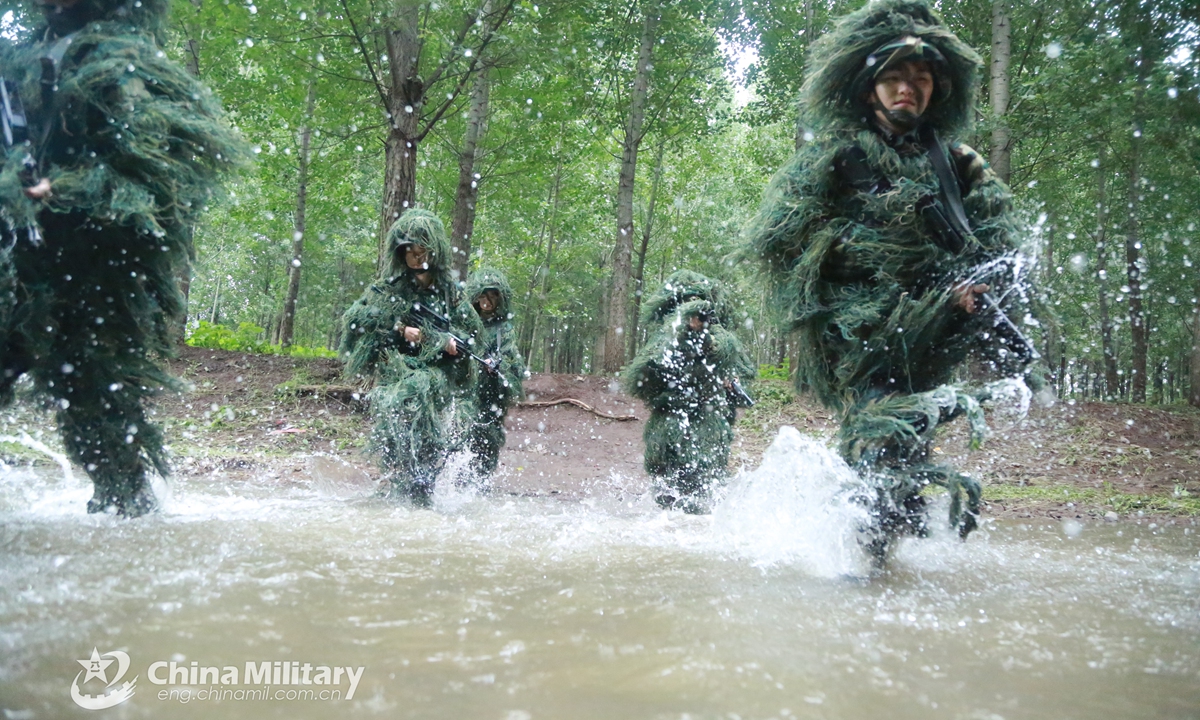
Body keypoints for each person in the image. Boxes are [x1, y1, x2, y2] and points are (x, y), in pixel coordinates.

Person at [744, 0, 1036, 562]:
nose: (909, 88)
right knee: (880, 431)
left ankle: (878, 553)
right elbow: (778, 243)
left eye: (921, 79)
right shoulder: (835, 158)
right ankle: (858, 565)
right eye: (895, 78)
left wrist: (977, 288)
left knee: (911, 441)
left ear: (937, 90)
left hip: (936, 328)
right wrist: (843, 265)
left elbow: (1001, 236)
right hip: (860, 335)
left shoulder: (958, 162)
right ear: (869, 88)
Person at [0, 0, 245, 516]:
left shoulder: (119, 61)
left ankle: (129, 514)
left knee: (98, 402)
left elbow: (154, 162)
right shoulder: (22, 58)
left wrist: (63, 188)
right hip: (25, 255)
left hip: (93, 265)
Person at [340, 210, 479, 506]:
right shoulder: (389, 288)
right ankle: (401, 485)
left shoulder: (450, 295)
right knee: (396, 423)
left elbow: (471, 334)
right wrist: (400, 329)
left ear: (434, 251)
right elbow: (355, 319)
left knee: (426, 423)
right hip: (397, 371)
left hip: (435, 374)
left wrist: (448, 342)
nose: (416, 258)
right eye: (409, 252)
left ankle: (422, 488)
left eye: (422, 251)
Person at [623, 270, 755, 513]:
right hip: (669, 423)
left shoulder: (723, 339)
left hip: (707, 425)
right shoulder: (667, 335)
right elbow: (644, 378)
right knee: (669, 489)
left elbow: (740, 379)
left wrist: (729, 379)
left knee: (702, 485)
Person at [459, 267, 524, 479]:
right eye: (483, 295)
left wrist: (496, 365)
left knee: (488, 439)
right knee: (462, 435)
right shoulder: (465, 322)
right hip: (465, 392)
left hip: (490, 396)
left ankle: (481, 481)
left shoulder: (503, 329)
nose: (486, 300)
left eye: (493, 295)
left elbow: (514, 364)